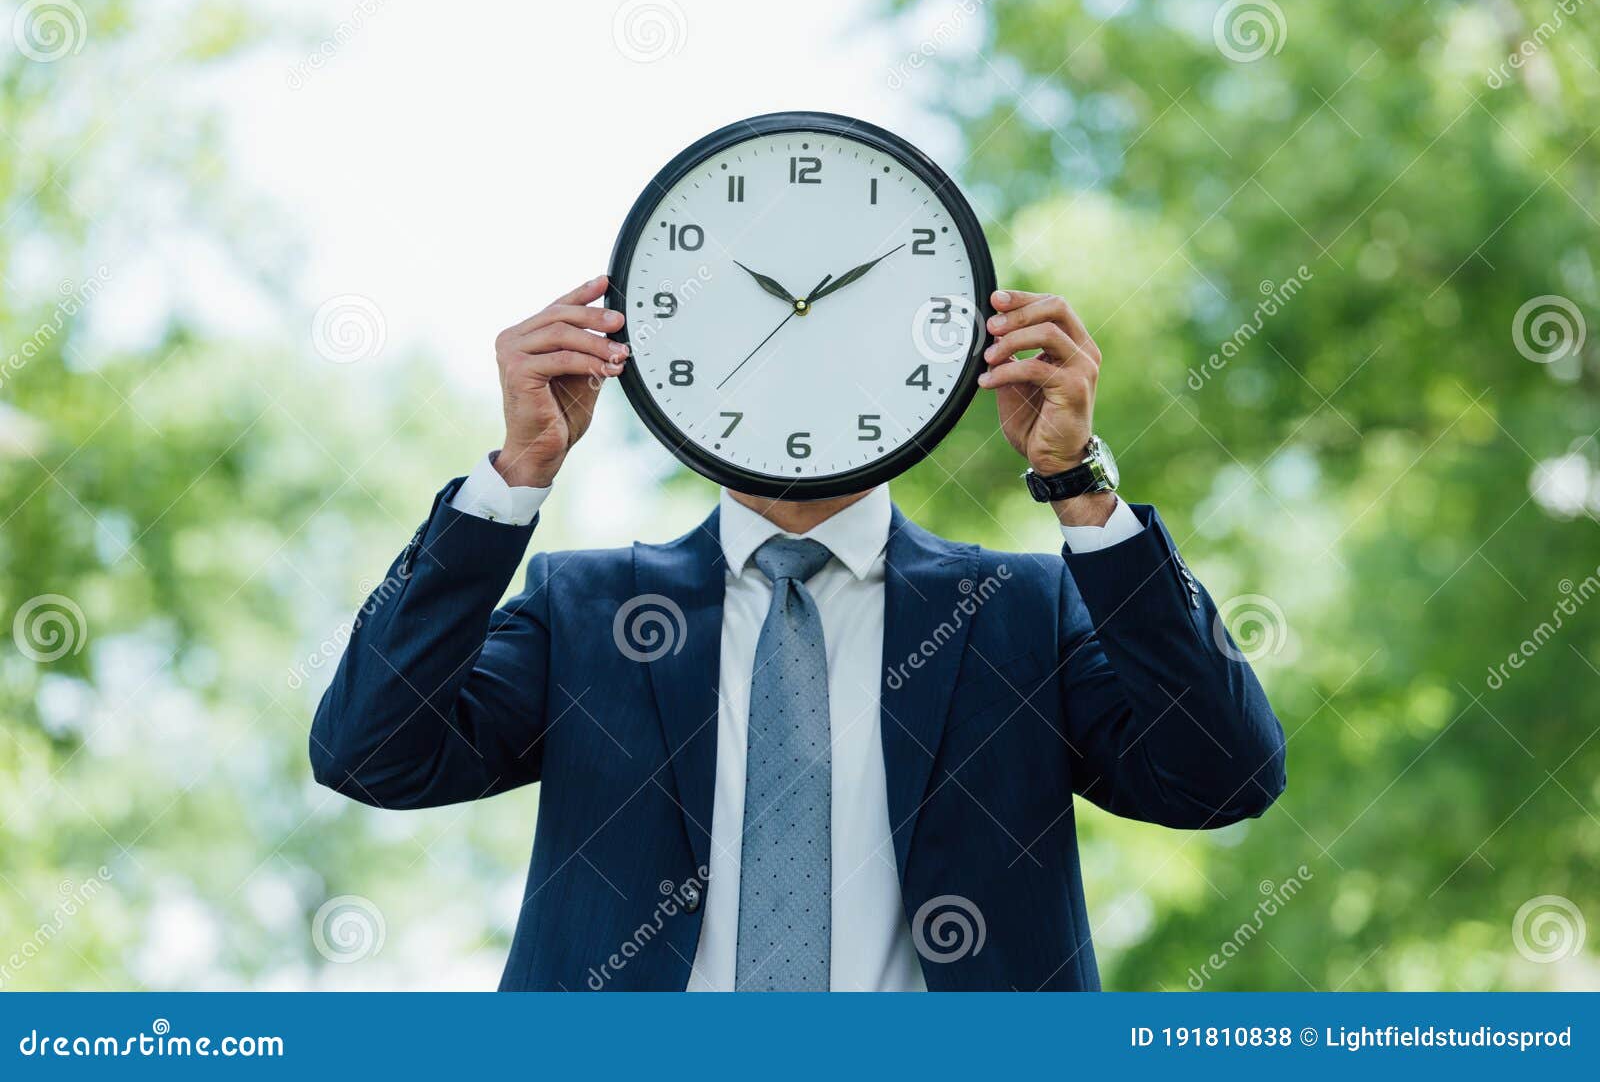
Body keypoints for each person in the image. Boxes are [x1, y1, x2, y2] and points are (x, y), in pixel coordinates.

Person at [310, 275, 1286, 991]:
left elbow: (1224, 775)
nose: (799, 380)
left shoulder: (1015, 614)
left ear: (922, 384)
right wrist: (515, 474)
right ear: (683, 389)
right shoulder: (587, 611)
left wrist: (1078, 487)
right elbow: (371, 752)